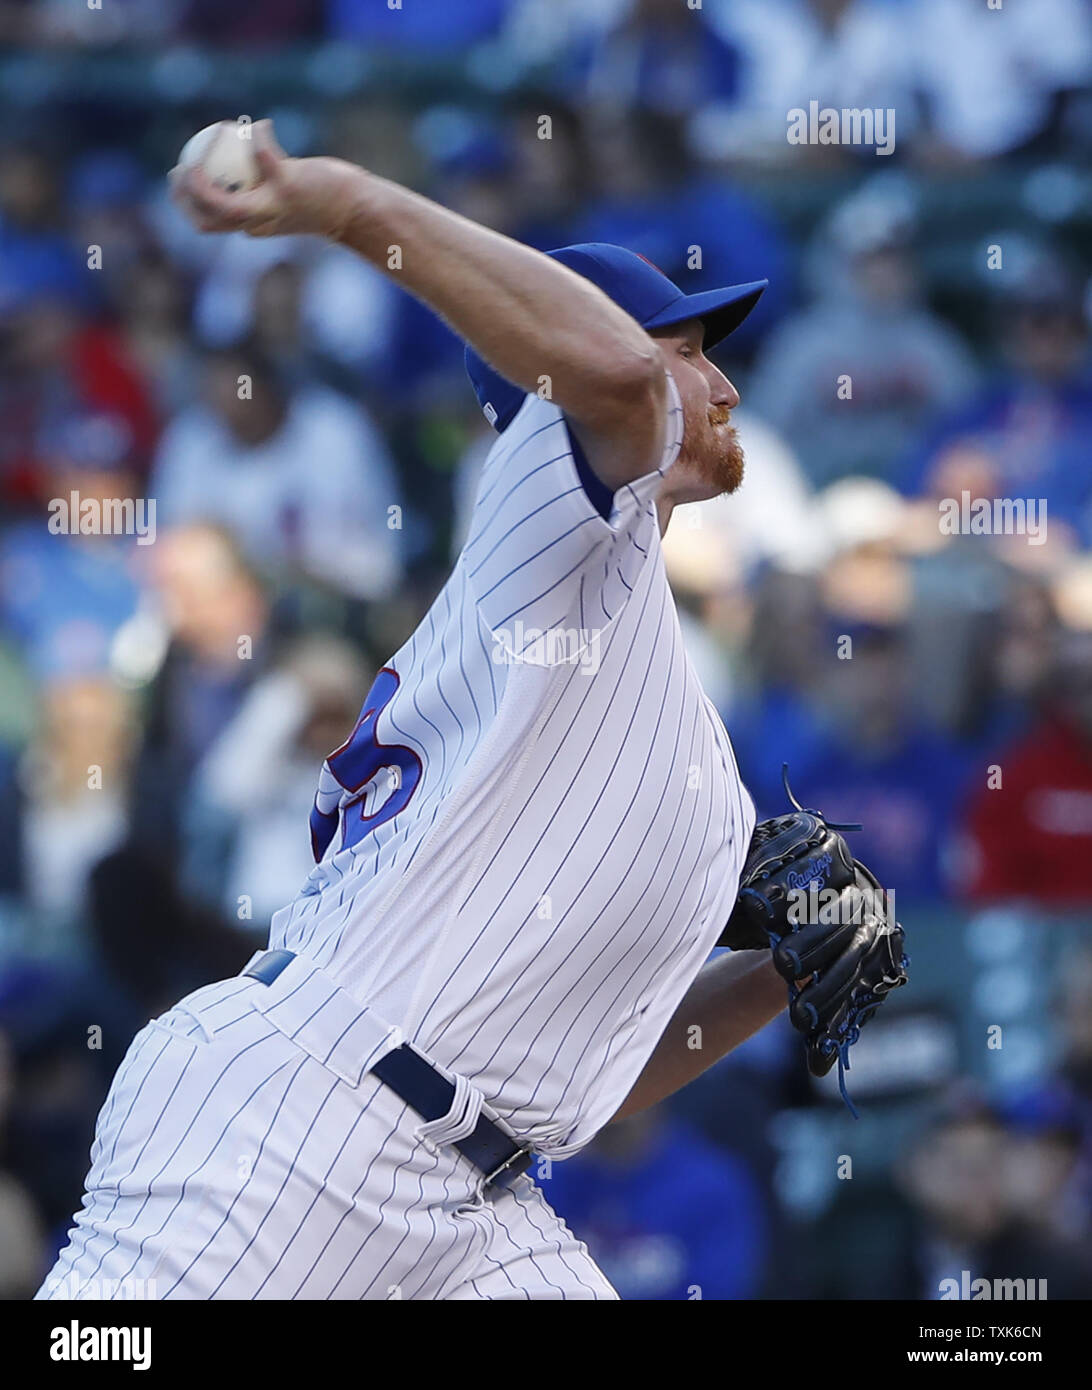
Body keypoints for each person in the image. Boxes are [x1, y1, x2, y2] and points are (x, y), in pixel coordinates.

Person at [41, 121, 798, 1301]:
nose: (718, 380)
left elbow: (561, 1084)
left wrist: (777, 975)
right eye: (689, 346)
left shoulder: (646, 676)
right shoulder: (549, 493)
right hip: (293, 1125)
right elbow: (612, 380)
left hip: (471, 1187)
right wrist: (342, 203)